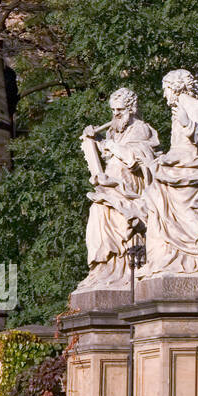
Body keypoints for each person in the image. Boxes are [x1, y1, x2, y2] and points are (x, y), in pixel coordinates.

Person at [140, 69, 198, 277]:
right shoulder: (180, 109)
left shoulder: (196, 108)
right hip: (177, 168)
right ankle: (165, 255)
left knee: (188, 212)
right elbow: (179, 147)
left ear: (176, 87)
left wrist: (187, 123)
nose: (165, 95)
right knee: (154, 201)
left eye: (166, 90)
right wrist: (165, 158)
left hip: (190, 171)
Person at [73, 88, 159, 293]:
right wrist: (94, 141)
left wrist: (111, 146)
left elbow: (137, 159)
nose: (116, 115)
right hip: (110, 186)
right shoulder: (114, 130)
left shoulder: (140, 129)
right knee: (97, 211)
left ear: (132, 108)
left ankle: (122, 267)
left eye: (120, 110)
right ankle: (105, 268)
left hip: (130, 188)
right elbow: (106, 154)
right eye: (113, 110)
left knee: (111, 215)